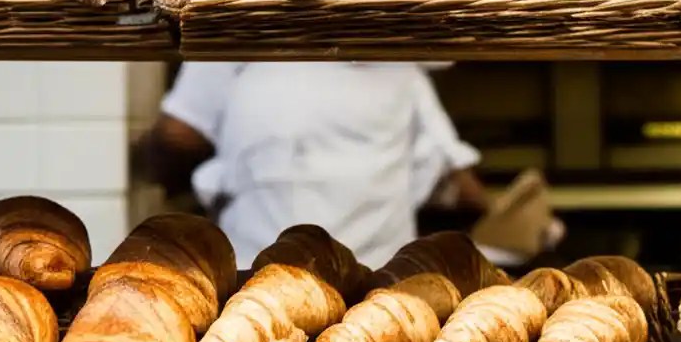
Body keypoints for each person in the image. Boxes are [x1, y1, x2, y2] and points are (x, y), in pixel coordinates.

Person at [134, 62, 492, 270]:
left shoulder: (238, 42)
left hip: (255, 284)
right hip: (375, 290)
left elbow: (175, 139)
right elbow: (462, 187)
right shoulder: (396, 59)